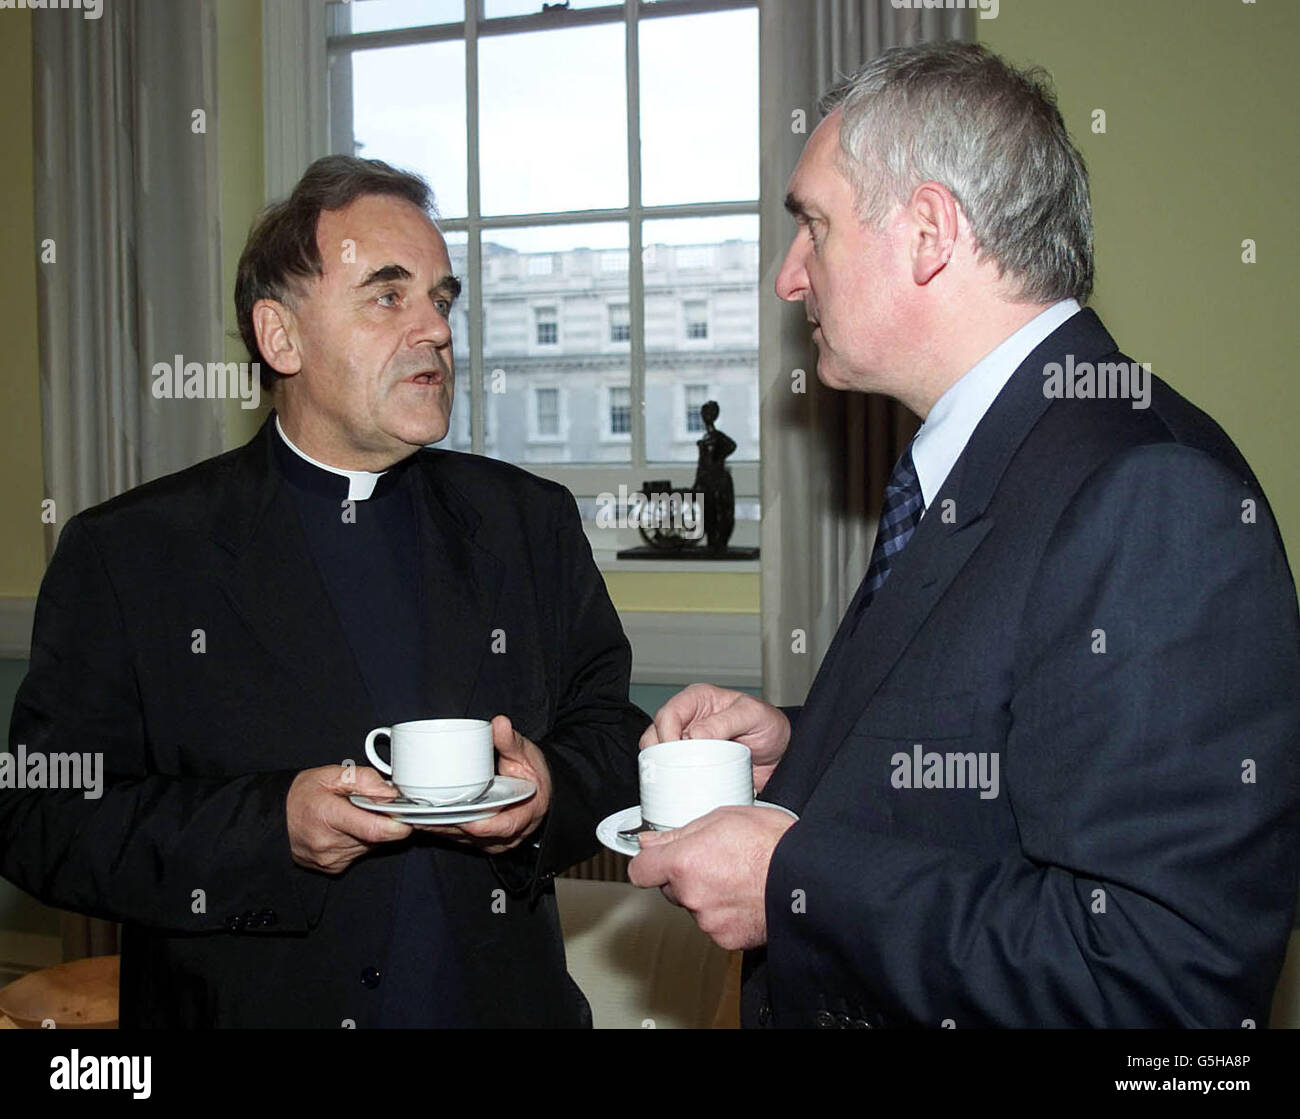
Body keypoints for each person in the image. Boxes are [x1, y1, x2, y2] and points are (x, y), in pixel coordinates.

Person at [629, 43, 1300, 1028]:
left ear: (929, 233)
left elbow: (1164, 982)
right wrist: (805, 753)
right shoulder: (985, 452)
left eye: (813, 225)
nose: (788, 276)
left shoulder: (1148, 491)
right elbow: (1019, 745)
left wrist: (794, 878)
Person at [0, 155, 646, 1028]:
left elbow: (613, 739)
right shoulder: (132, 553)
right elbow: (43, 814)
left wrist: (544, 793)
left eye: (442, 298)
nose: (436, 331)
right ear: (282, 337)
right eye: (389, 295)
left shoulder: (527, 523)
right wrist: (273, 828)